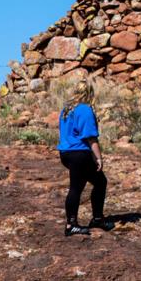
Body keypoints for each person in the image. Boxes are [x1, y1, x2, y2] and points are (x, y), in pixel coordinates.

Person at [56, 80, 114, 236]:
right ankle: (72, 225)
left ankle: (96, 219)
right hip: (79, 153)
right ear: (89, 93)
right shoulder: (85, 110)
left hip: (66, 153)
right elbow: (91, 138)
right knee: (78, 187)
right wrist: (98, 158)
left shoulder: (66, 110)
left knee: (98, 181)